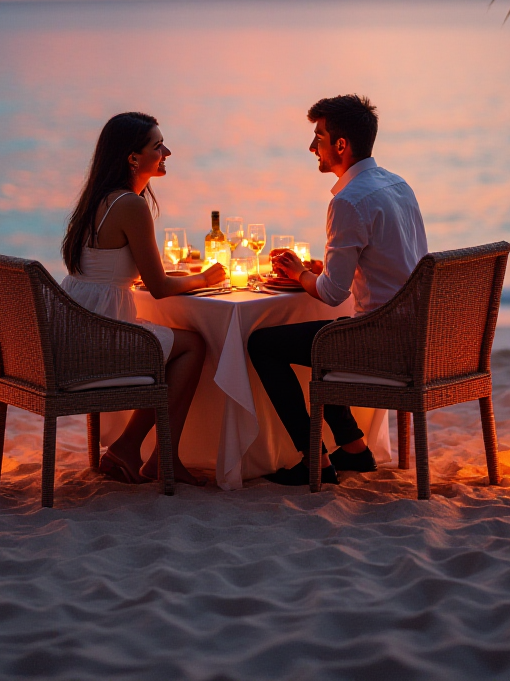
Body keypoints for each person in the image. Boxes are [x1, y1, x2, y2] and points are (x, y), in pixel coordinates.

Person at [249, 95, 428, 486]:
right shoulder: (398, 185)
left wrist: (298, 274)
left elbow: (332, 293)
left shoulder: (348, 200)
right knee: (326, 336)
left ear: (340, 145)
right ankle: (353, 450)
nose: (312, 147)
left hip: (382, 341)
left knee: (262, 344)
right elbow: (387, 260)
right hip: (417, 332)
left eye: (318, 138)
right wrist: (316, 268)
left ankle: (312, 457)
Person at [60, 112, 225, 486]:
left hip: (79, 320)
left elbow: (117, 272)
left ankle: (129, 447)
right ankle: (161, 455)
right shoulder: (131, 205)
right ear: (133, 158)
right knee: (192, 345)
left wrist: (170, 276)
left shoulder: (97, 199)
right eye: (157, 146)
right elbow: (160, 287)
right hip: (100, 332)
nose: (167, 151)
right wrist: (206, 277)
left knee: (170, 341)